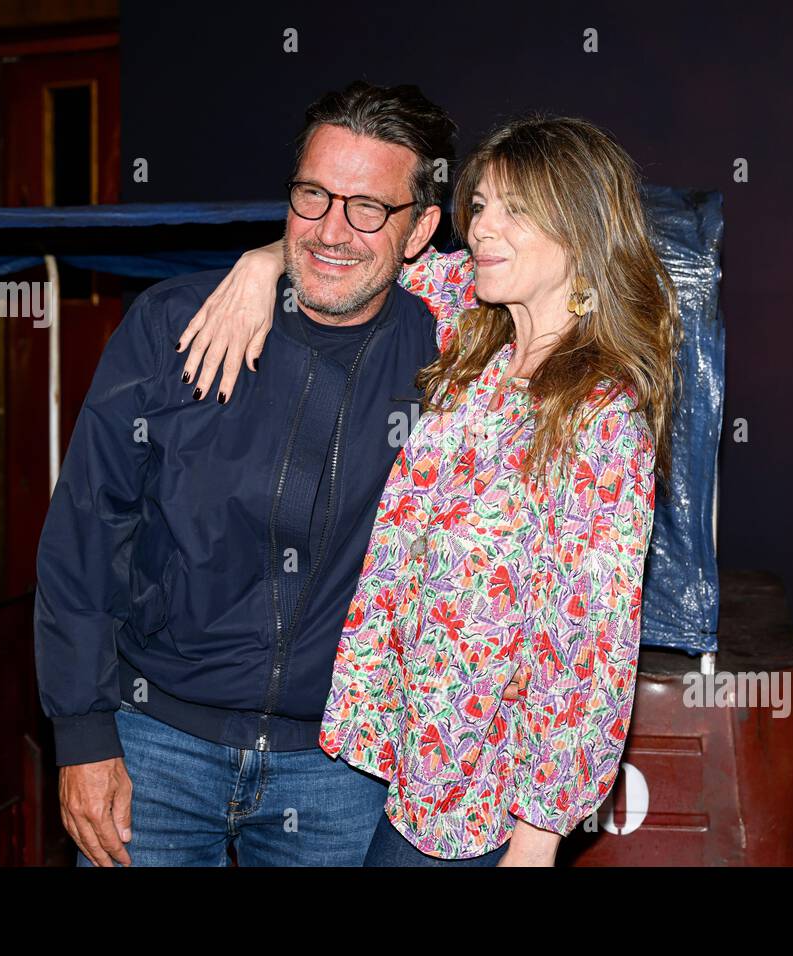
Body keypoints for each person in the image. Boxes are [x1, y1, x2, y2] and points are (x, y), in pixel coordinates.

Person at [177, 114, 682, 865]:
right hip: (385, 766)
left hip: (474, 811)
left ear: (582, 231)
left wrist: (535, 846)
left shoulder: (601, 421)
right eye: (480, 206)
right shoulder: (467, 326)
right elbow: (346, 257)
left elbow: (587, 657)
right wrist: (260, 263)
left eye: (515, 210)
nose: (482, 228)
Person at [33, 81, 466, 866]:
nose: (332, 230)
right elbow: (85, 537)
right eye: (313, 195)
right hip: (151, 747)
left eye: (368, 207)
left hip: (343, 768)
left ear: (421, 228)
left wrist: (265, 261)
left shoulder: (456, 362)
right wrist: (82, 734)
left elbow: (571, 282)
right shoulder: (173, 326)